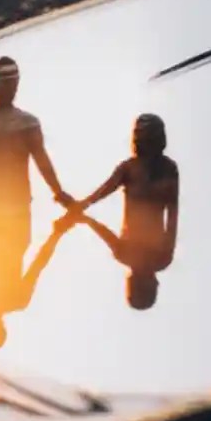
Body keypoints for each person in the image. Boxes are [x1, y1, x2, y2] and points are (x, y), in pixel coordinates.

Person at [71, 113, 180, 309]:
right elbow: (172, 218)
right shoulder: (160, 167)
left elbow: (106, 190)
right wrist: (84, 209)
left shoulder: (138, 167)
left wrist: (85, 208)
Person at [0, 56, 72, 213]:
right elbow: (43, 163)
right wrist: (59, 193)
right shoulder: (28, 124)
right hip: (17, 207)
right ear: (16, 85)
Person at [0, 213, 75, 349]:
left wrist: (57, 234)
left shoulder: (19, 302)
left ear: (4, 330)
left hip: (16, 230)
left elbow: (39, 263)